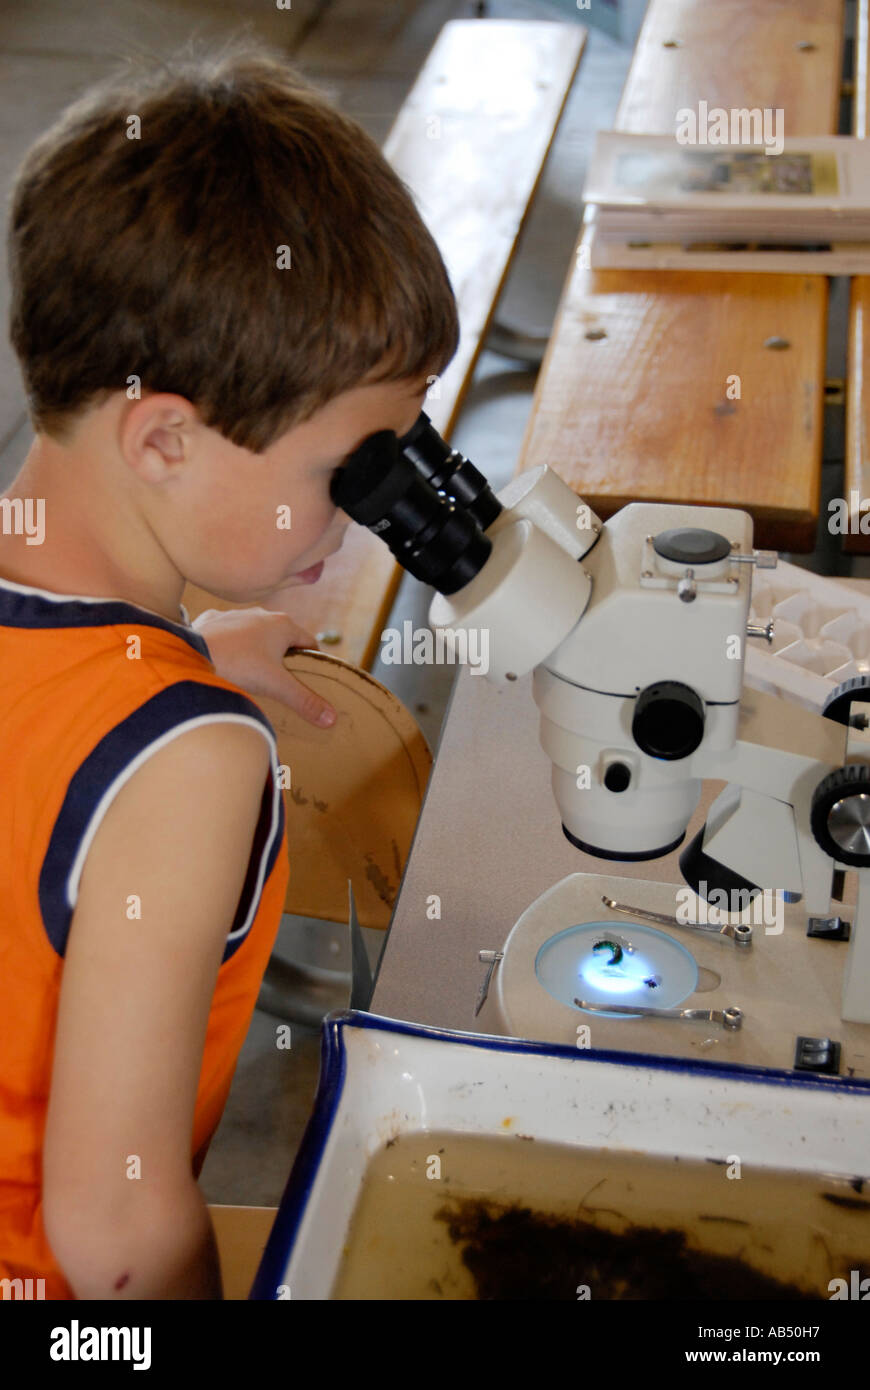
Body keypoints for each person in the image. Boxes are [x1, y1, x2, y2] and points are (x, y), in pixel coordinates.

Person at [0, 38, 458, 1299]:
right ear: (164, 439)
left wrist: (180, 653)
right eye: (342, 474)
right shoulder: (186, 761)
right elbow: (119, 1236)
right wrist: (175, 712)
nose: (365, 517)